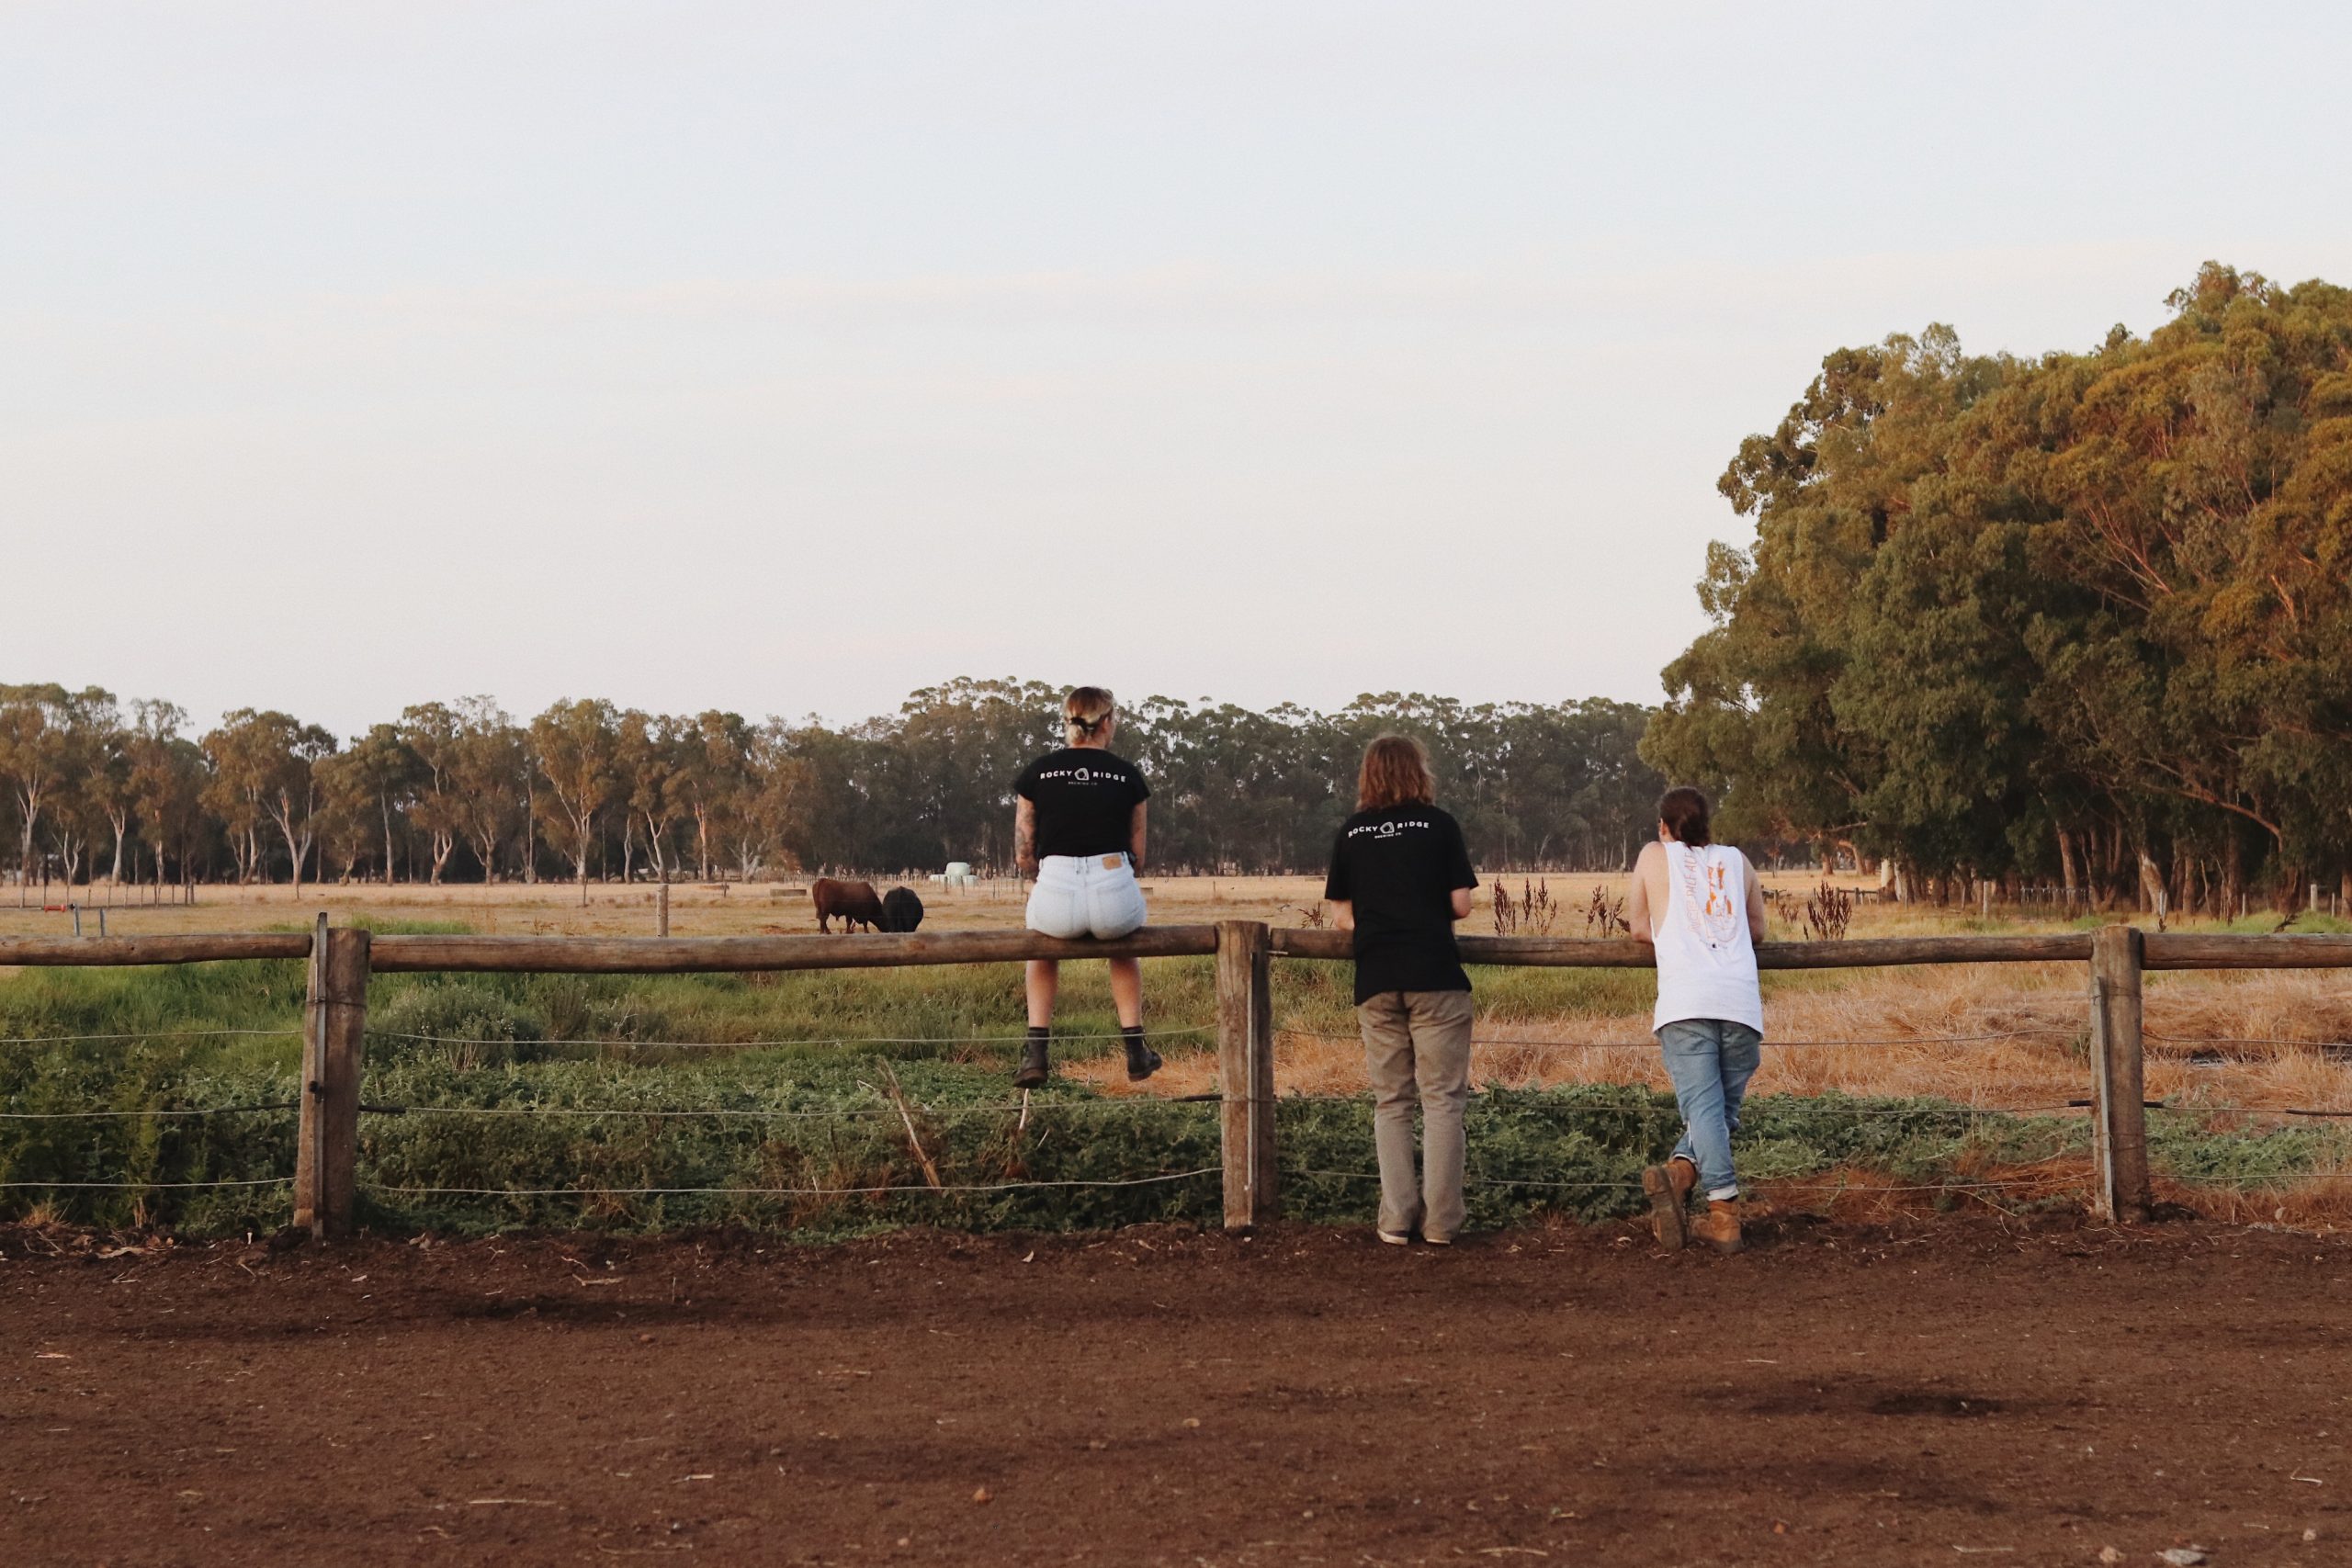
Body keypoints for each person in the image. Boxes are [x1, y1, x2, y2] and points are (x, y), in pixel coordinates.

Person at [1323, 735, 1480, 1247]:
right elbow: (1461, 905)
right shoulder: (1440, 826)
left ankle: (1395, 1219)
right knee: (1442, 1101)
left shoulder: (1352, 832)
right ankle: (1440, 1224)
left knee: (1391, 1101)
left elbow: (1342, 915)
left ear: (1368, 776)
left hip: (1376, 978)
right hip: (1435, 974)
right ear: (1420, 772)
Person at [1626, 785, 1768, 1254]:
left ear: (1663, 826)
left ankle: (1724, 1215)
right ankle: (1679, 1174)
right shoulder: (1738, 860)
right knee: (1722, 1112)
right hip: (1740, 1003)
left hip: (1687, 1001)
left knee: (1705, 1111)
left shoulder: (1653, 855)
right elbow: (1757, 930)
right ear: (1709, 824)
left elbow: (1640, 928)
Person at [1012, 686, 1158, 1089]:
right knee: (1124, 943)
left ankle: (1036, 1053)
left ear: (1068, 722)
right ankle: (1136, 1050)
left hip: (1055, 887)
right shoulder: (1128, 775)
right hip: (1114, 884)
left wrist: (1044, 878)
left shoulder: (1038, 771)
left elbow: (1024, 851)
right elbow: (1138, 854)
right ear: (1107, 723)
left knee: (1040, 944)